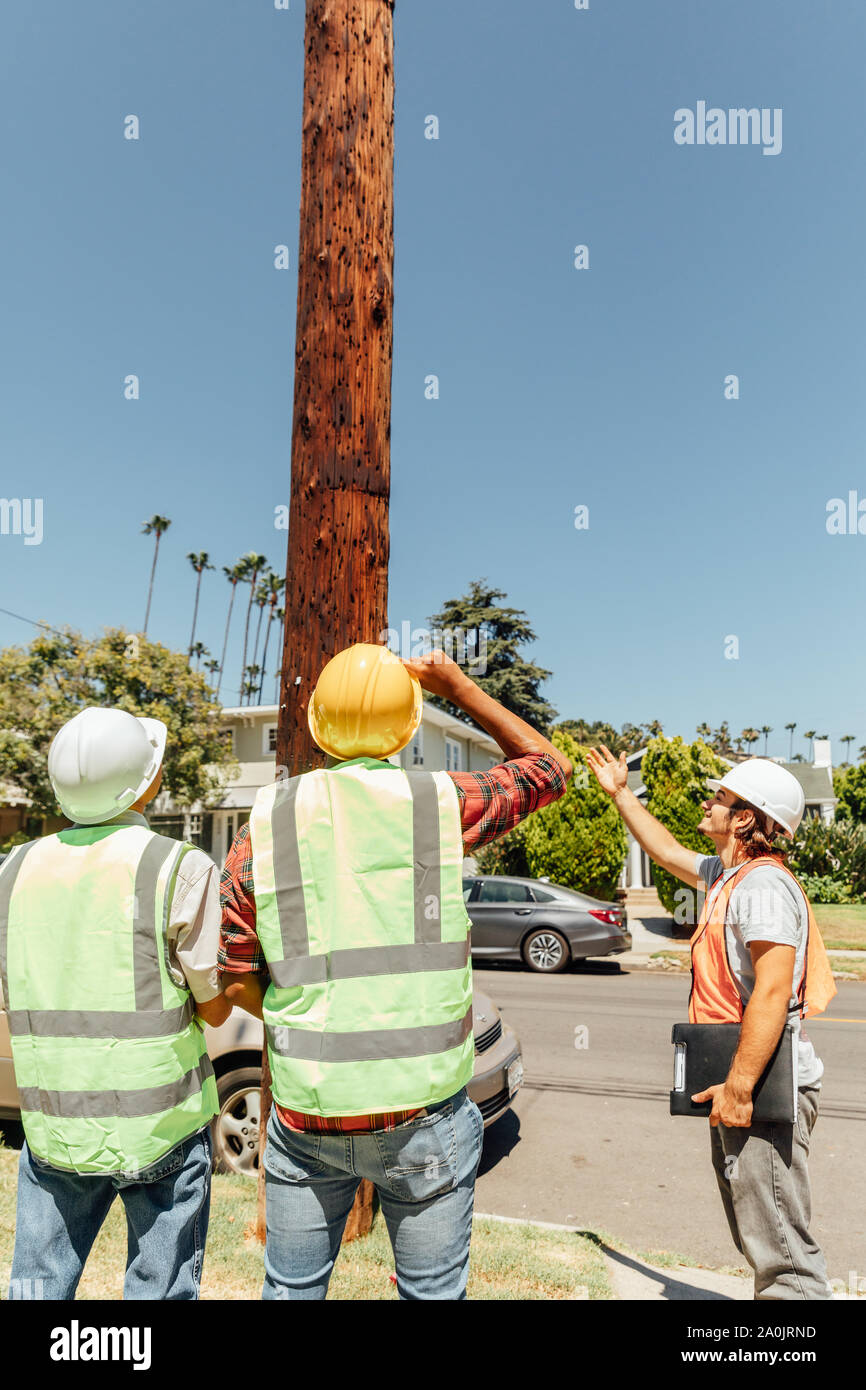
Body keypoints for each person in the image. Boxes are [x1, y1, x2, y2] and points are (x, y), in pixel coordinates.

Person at [219, 643, 572, 1300]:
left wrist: (306, 1015)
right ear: (410, 727)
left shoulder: (264, 824)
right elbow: (549, 768)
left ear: (318, 725)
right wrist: (459, 688)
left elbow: (233, 969)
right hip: (425, 1114)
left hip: (306, 1116)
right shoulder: (438, 802)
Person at [1, 706, 235, 1301]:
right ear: (148, 781)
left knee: (38, 1286)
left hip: (55, 1125)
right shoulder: (177, 867)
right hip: (159, 1129)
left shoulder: (15, 870)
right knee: (157, 1292)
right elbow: (214, 1009)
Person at [587, 748, 836, 1300]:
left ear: (745, 817)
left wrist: (741, 1086)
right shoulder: (729, 876)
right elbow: (668, 851)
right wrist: (620, 793)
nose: (709, 801)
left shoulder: (762, 888)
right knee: (761, 1237)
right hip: (743, 1082)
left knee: (785, 1260)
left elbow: (772, 992)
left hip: (764, 1086)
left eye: (720, 797)